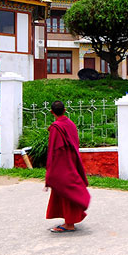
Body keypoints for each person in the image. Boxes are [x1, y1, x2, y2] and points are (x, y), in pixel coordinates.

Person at [45, 100, 91, 233]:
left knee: (65, 192)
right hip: (72, 162)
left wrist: (51, 170)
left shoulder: (56, 127)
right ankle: (68, 221)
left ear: (51, 112)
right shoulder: (71, 125)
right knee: (66, 192)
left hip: (61, 164)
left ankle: (69, 224)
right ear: (65, 110)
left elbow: (54, 149)